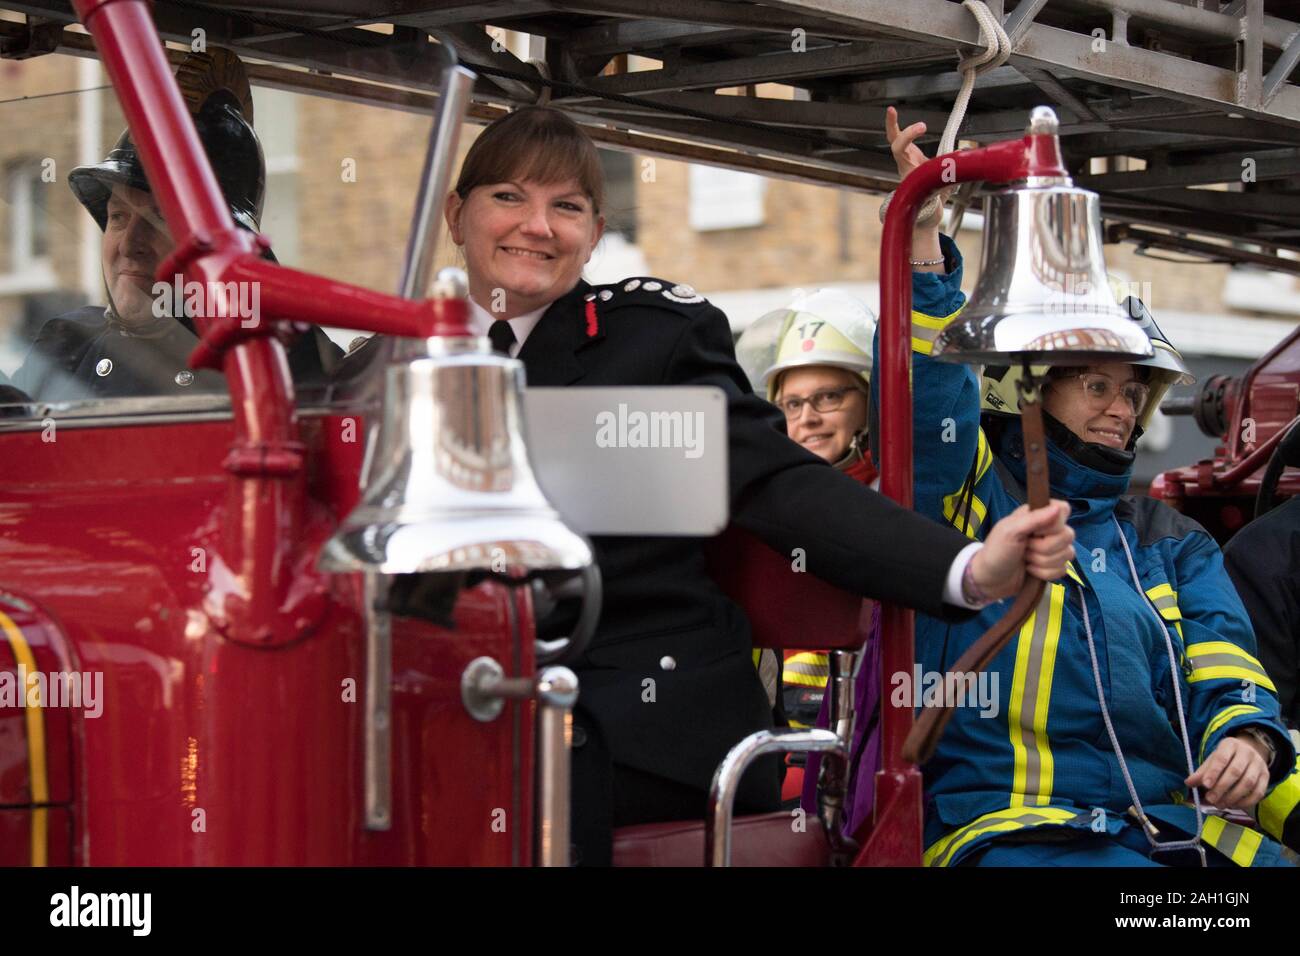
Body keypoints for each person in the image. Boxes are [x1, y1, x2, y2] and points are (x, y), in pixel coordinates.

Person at [440, 105, 1075, 865]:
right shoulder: (389, 365)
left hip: (629, 716)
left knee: (515, 773)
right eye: (509, 197)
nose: (537, 226)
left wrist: (966, 567)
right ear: (455, 214)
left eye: (566, 206)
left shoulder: (653, 342)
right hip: (445, 690)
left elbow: (778, 485)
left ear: (595, 232)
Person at [883, 106, 1296, 866]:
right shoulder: (966, 497)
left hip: (1163, 828)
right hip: (1007, 829)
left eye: (1132, 391)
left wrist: (1247, 733)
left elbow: (1223, 656)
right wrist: (922, 253)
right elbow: (925, 407)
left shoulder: (1171, 540)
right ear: (1031, 391)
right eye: (1096, 385)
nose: (1120, 408)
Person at [12, 52, 338, 402]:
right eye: (118, 217)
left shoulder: (278, 356)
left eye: (160, 218)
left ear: (228, 247)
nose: (129, 244)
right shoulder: (66, 344)